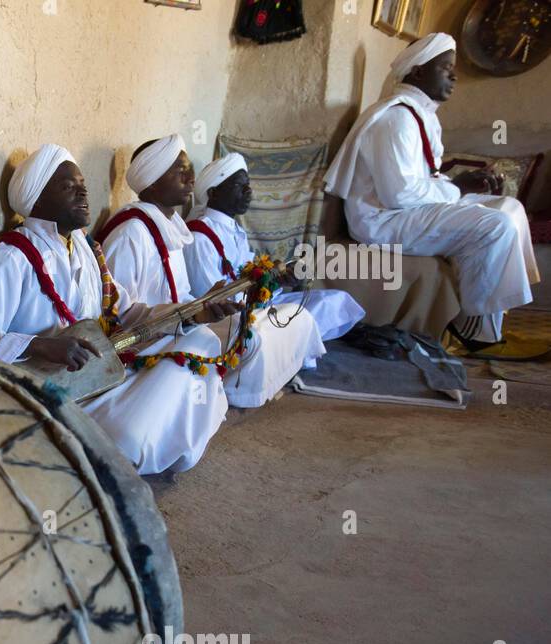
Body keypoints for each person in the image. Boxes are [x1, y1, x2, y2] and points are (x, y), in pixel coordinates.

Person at [0, 144, 226, 475]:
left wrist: (194, 312)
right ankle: (120, 443)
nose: (83, 192)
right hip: (48, 395)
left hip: (100, 375)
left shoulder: (86, 248)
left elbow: (127, 313)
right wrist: (39, 345)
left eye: (82, 184)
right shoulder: (11, 256)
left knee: (202, 341)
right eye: (68, 187)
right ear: (36, 200)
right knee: (130, 438)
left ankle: (127, 441)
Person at [324, 33, 539, 354]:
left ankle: (492, 318)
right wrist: (458, 187)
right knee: (496, 227)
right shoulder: (395, 119)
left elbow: (422, 181)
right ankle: (476, 330)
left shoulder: (419, 113)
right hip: (383, 221)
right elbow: (401, 196)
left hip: (405, 211)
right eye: (445, 68)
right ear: (418, 71)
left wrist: (459, 187)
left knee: (510, 208)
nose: (454, 75)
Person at [98, 135, 324, 408]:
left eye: (189, 168)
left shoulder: (168, 226)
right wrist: (195, 312)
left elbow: (181, 294)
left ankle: (235, 391)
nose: (191, 177)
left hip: (177, 322)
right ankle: (230, 394)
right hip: (148, 336)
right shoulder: (130, 233)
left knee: (273, 324)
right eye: (179, 171)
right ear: (153, 182)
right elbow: (118, 316)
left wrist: (205, 305)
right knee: (245, 336)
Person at [186, 152, 365, 363]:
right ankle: (293, 351)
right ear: (214, 193)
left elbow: (248, 270)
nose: (248, 191)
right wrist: (266, 287)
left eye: (248, 184)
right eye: (239, 186)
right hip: (230, 319)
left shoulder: (232, 228)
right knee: (302, 320)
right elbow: (213, 300)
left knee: (332, 301)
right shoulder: (200, 238)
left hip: (257, 304)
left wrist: (277, 278)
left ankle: (295, 348)